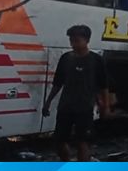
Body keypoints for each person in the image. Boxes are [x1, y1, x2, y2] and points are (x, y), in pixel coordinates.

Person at [42, 25, 109, 162]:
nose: (73, 44)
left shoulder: (96, 60)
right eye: (71, 40)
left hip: (84, 108)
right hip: (65, 107)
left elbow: (103, 86)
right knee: (59, 141)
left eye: (77, 40)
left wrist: (105, 106)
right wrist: (47, 103)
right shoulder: (66, 59)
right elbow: (57, 84)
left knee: (82, 142)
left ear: (87, 40)